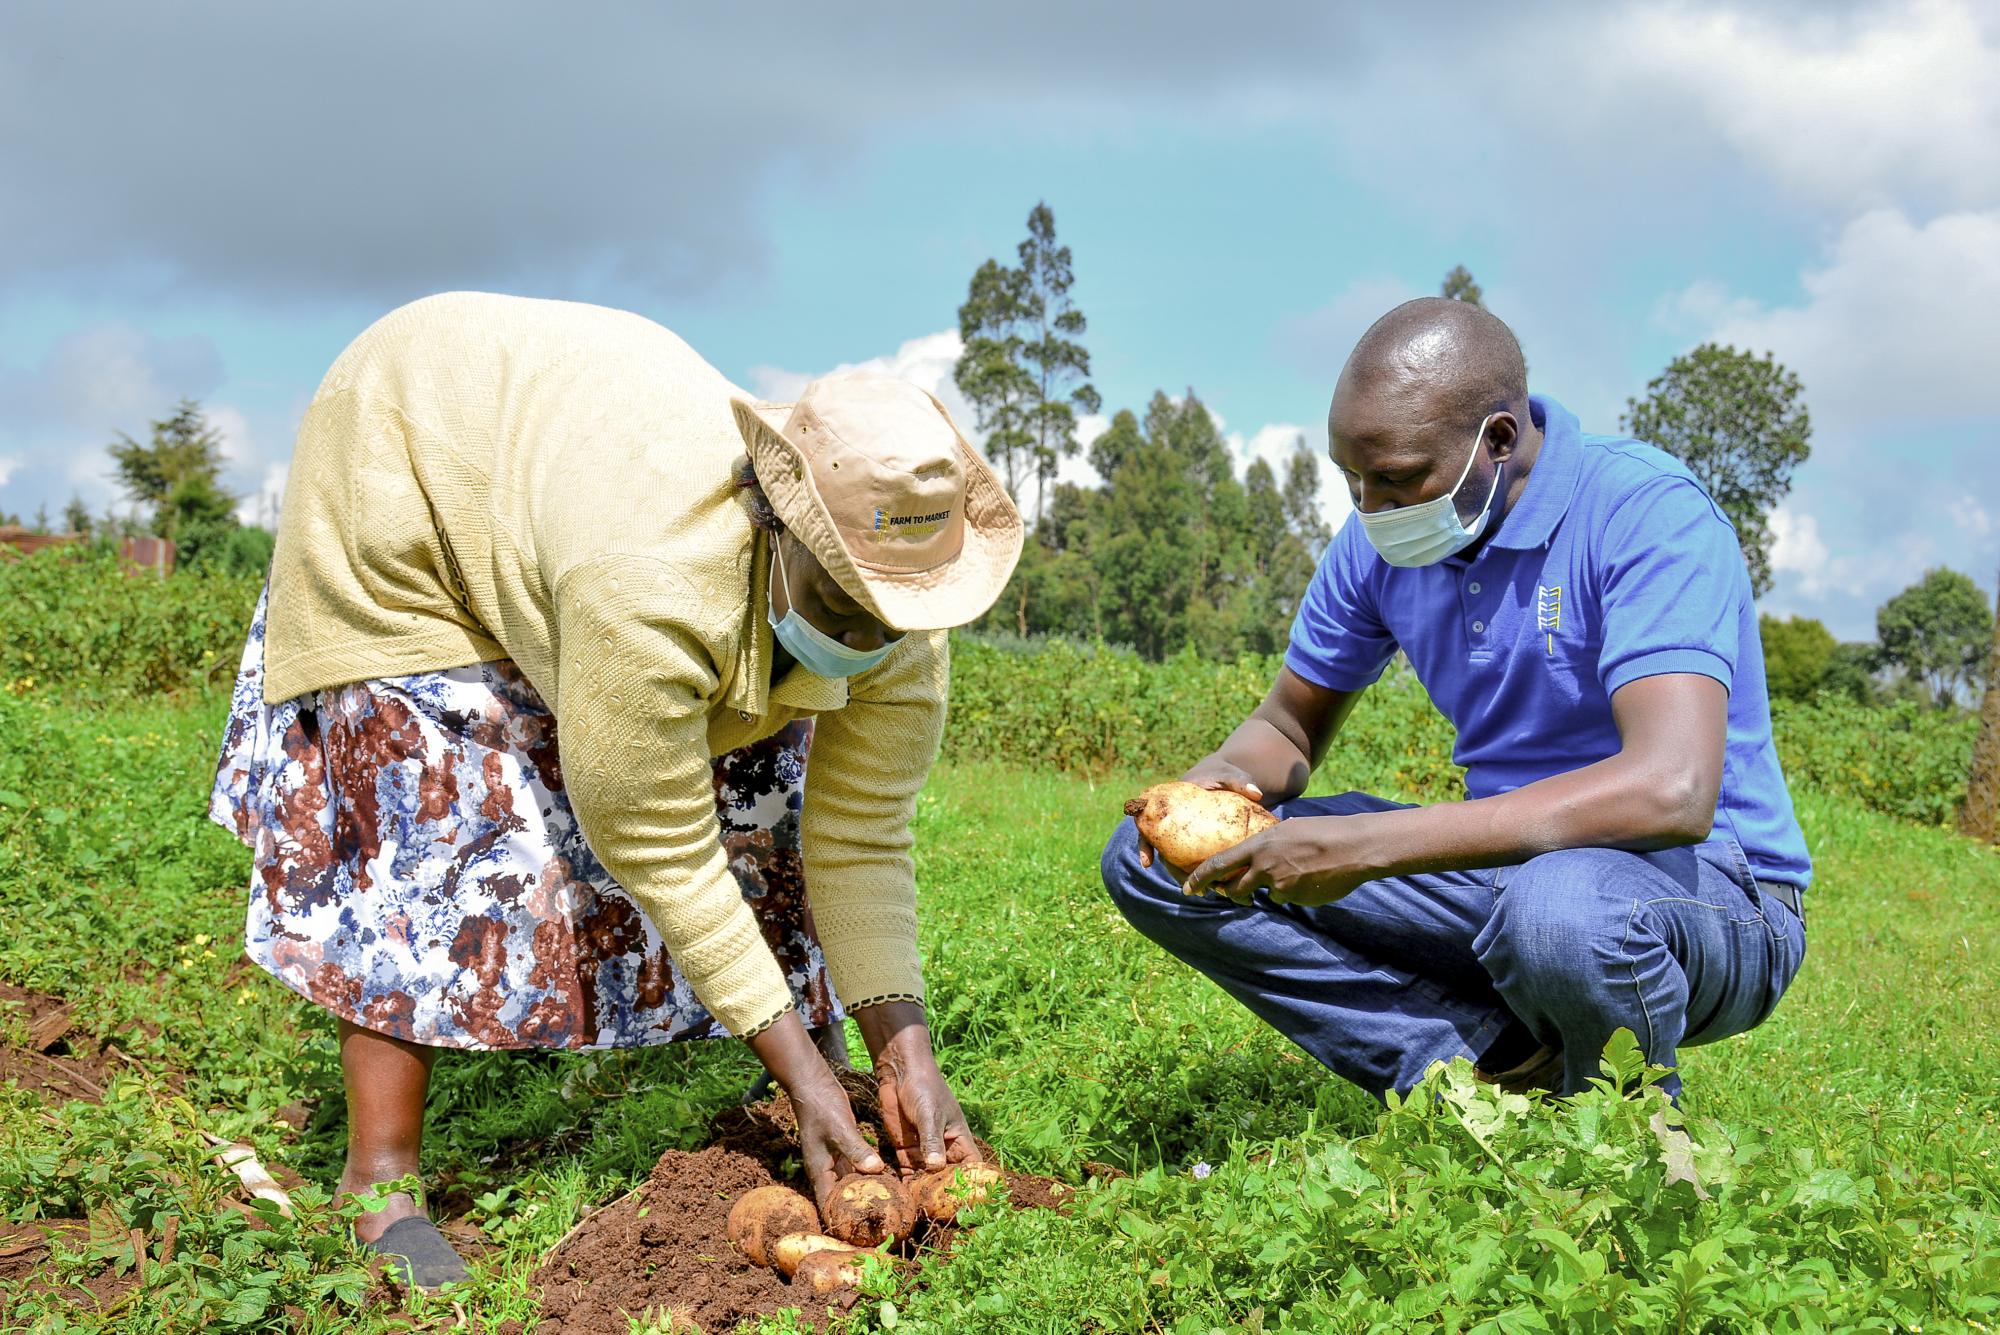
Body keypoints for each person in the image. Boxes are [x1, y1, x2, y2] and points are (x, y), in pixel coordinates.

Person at [209, 291, 1021, 1288]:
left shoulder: (905, 598)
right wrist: (800, 1073)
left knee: (771, 800)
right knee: (431, 809)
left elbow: (858, 841)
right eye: (840, 605)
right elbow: (661, 843)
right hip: (413, 459)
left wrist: (910, 1057)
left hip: (564, 463)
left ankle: (834, 1104)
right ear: (777, 521)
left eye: (888, 617)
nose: (864, 640)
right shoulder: (647, 575)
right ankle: (377, 1186)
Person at [1102, 297, 1807, 1103]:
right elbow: (1286, 724)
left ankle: (1638, 1158)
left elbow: (1671, 792)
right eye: (1352, 479)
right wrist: (1205, 796)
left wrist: (1362, 847)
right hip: (1507, 871)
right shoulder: (1377, 541)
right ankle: (1477, 1076)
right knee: (1152, 866)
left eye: (1397, 478)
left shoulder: (1645, 512)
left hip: (1711, 890)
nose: (1369, 506)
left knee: (1560, 907)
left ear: (1498, 440)